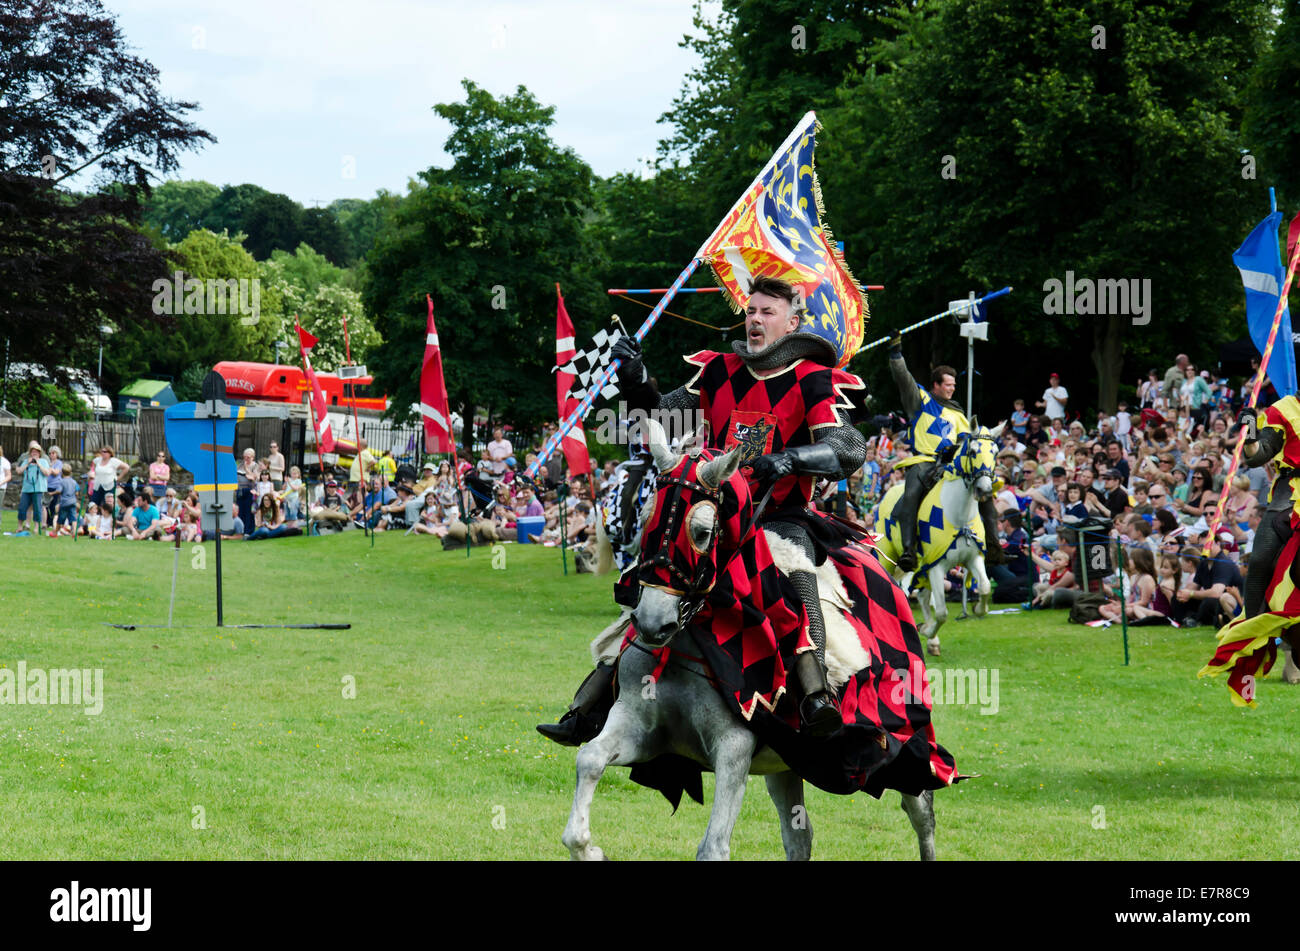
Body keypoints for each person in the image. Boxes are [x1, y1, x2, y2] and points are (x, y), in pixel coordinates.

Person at [538, 275, 867, 745]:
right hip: (713, 509)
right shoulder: (718, 369)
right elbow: (664, 414)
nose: (754, 319)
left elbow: (847, 448)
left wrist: (788, 459)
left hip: (778, 515)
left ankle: (816, 695)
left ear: (792, 321)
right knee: (656, 575)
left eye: (766, 312)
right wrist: (636, 379)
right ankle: (594, 699)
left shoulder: (811, 376)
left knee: (793, 572)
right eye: (750, 310)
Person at [887, 340, 1005, 571]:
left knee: (985, 490)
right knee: (910, 494)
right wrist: (896, 354)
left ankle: (993, 547)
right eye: (948, 385)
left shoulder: (960, 414)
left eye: (953, 384)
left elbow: (967, 444)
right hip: (924, 462)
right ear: (936, 385)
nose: (952, 389)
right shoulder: (920, 400)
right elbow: (904, 379)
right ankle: (909, 551)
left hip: (953, 467)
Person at [14, 441, 51, 535]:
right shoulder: (26, 461)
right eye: (32, 452)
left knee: (37, 508)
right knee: (22, 507)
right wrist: (27, 464)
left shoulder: (43, 461)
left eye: (36, 452)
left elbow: (47, 473)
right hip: (26, 488)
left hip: (38, 488)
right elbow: (19, 471)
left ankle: (36, 527)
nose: (34, 453)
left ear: (39, 453)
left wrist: (38, 464)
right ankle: (19, 526)